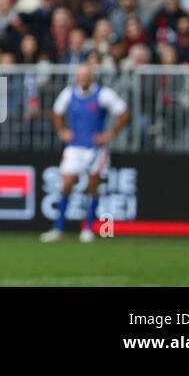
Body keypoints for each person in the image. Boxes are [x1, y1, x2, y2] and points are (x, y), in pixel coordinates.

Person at [41, 62, 130, 243]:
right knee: (66, 184)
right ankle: (58, 228)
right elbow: (57, 112)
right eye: (79, 76)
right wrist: (61, 131)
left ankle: (89, 228)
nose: (81, 79)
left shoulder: (103, 94)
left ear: (92, 77)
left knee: (92, 185)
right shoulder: (69, 93)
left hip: (95, 149)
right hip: (74, 147)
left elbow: (124, 112)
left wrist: (110, 133)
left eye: (85, 76)